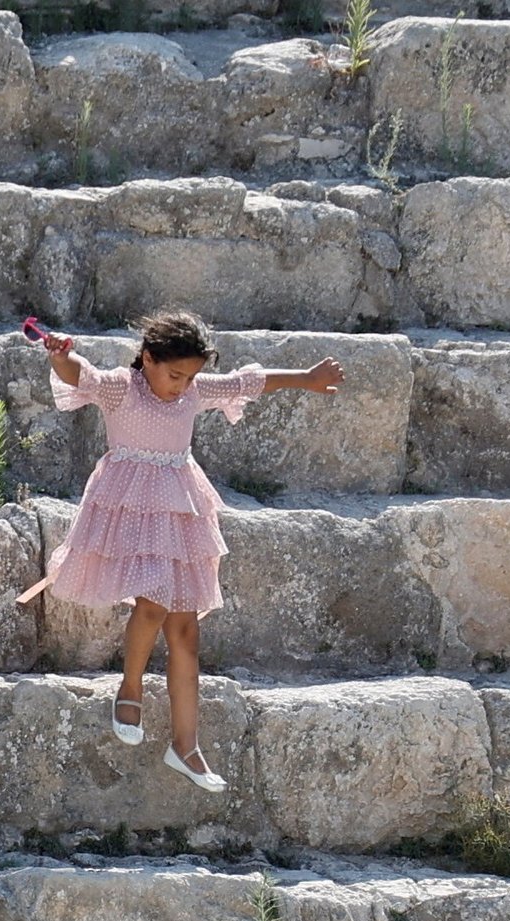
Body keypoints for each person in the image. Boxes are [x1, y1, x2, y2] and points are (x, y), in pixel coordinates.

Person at [18, 311, 343, 792]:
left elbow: (245, 383)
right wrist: (61, 355)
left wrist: (306, 378)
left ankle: (186, 746)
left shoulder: (191, 392)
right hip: (131, 512)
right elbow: (80, 375)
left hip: (181, 515)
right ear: (148, 358)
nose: (182, 386)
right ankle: (130, 688)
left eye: (190, 377)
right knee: (152, 603)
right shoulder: (123, 389)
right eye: (175, 375)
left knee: (187, 630)